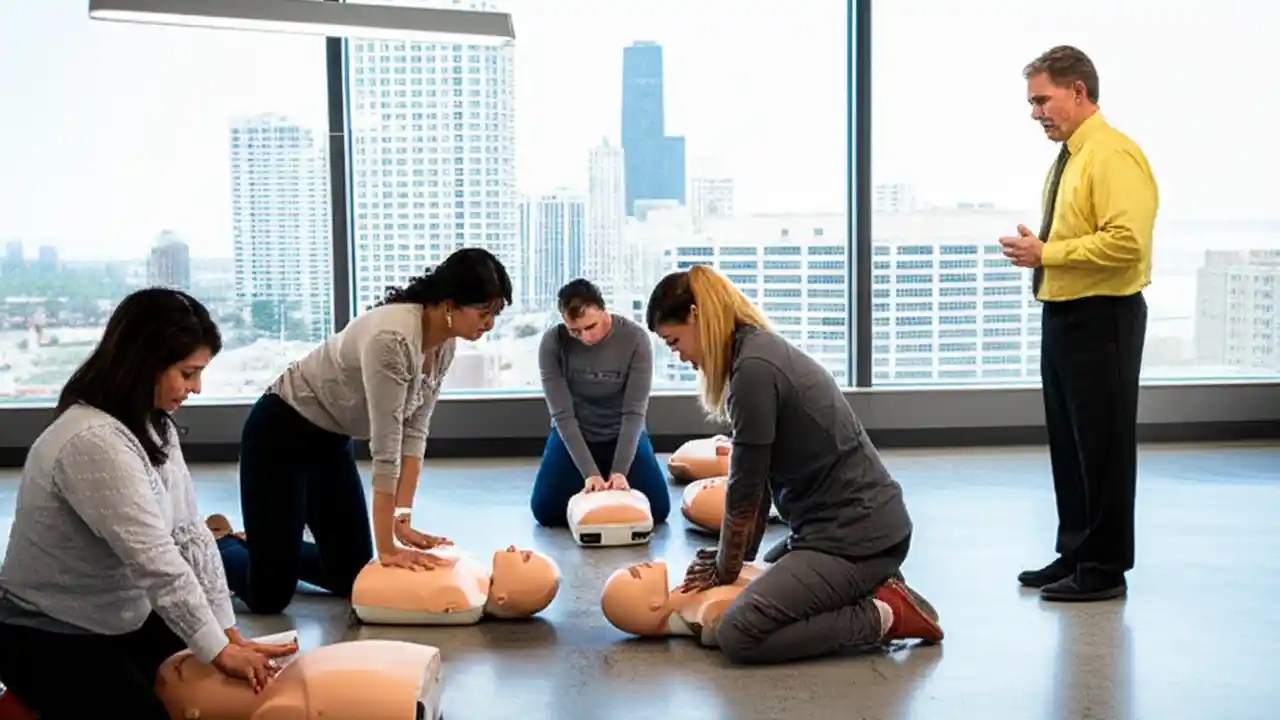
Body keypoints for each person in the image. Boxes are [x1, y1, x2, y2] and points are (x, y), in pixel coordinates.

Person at [0, 288, 295, 718]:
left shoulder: (154, 425)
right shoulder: (92, 440)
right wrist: (216, 649)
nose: (196, 387)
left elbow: (190, 533)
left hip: (121, 616)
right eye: (188, 373)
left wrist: (226, 634)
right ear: (145, 364)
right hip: (44, 630)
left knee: (218, 685)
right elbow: (156, 559)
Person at [643, 265, 943, 665]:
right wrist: (734, 562)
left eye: (674, 341)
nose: (678, 355)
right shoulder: (754, 351)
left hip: (857, 540)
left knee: (739, 633)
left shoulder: (753, 371)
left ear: (697, 316)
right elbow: (759, 478)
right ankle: (870, 585)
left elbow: (745, 489)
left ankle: (884, 615)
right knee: (766, 572)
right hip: (842, 530)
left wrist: (725, 566)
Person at [217, 248, 513, 614]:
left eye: (494, 315)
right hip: (281, 434)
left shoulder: (443, 344)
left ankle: (266, 545)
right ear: (449, 304)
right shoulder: (392, 339)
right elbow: (386, 449)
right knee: (269, 596)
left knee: (349, 577)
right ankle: (218, 544)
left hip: (330, 440)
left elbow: (415, 431)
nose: (489, 324)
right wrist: (388, 546)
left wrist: (401, 517)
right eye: (483, 313)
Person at [1000, 45, 1157, 602]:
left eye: (1042, 99)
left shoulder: (1112, 154)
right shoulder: (1073, 155)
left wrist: (1048, 255)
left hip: (1103, 316)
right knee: (1072, 444)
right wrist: (1043, 252)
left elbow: (1127, 242)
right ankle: (1076, 553)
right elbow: (1078, 237)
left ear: (1078, 92)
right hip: (1067, 313)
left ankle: (1105, 568)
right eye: (1032, 102)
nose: (1036, 112)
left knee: (1103, 446)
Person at [530, 279, 670, 527]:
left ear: (604, 310)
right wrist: (590, 474)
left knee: (658, 510)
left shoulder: (636, 339)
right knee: (546, 511)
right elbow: (562, 414)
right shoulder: (552, 342)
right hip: (574, 434)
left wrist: (620, 472)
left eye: (590, 326)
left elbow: (634, 412)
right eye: (575, 331)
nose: (585, 337)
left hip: (622, 432)